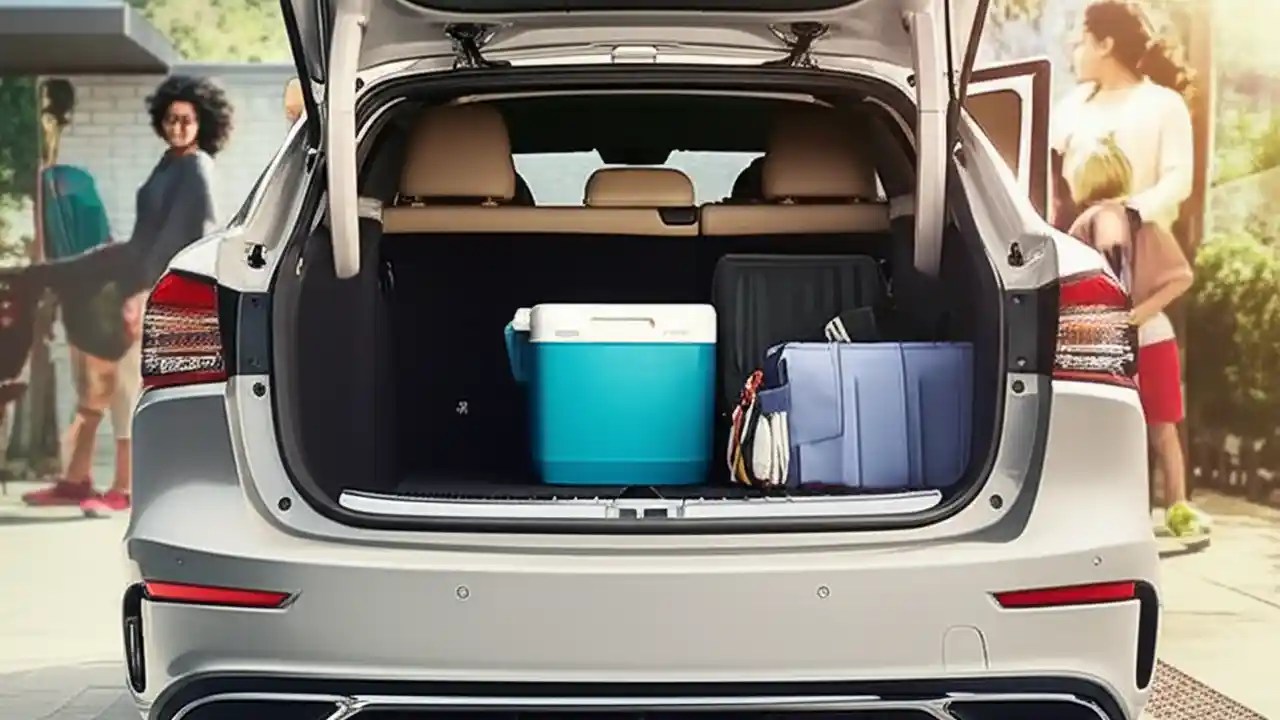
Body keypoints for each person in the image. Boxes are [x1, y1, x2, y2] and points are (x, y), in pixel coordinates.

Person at [23, 75, 232, 516]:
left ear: (202, 124)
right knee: (98, 388)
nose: (177, 127)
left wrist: (142, 293)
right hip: (134, 279)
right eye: (171, 119)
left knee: (128, 392)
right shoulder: (168, 164)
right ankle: (76, 480)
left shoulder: (195, 169)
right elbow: (142, 239)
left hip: (152, 291)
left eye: (186, 120)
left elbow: (181, 239)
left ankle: (128, 488)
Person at [1051, 0, 1208, 538]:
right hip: (1078, 258)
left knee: (1152, 412)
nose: (1073, 51)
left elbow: (1177, 181)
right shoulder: (1070, 106)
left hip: (1135, 254)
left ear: (1105, 44)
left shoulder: (1161, 106)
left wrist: (1126, 218)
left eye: (1078, 40)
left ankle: (1169, 503)